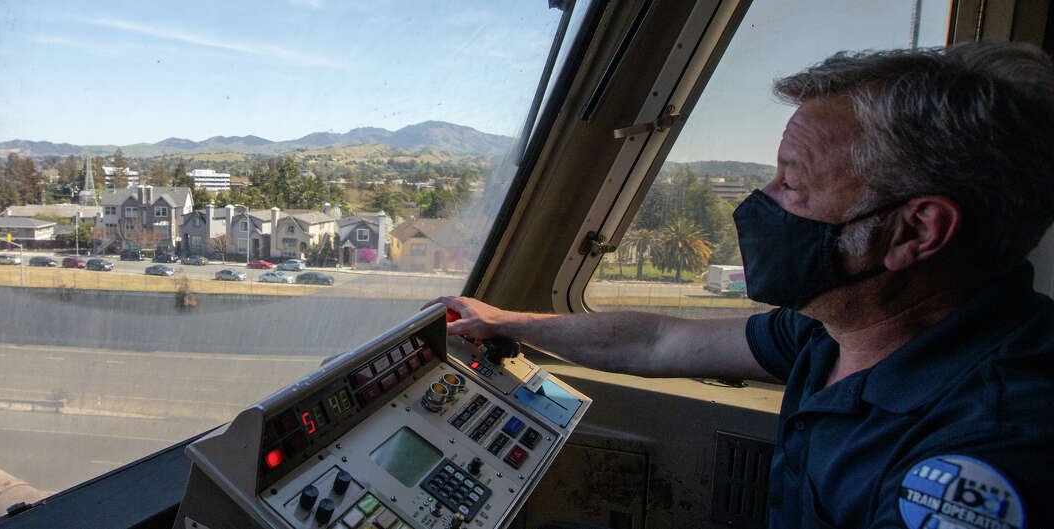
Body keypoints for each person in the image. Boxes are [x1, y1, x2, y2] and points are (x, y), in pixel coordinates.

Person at [432, 42, 1054, 529]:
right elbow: (656, 342)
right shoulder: (840, 329)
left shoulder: (993, 445)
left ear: (916, 231)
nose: (762, 203)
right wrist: (508, 321)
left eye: (793, 181)